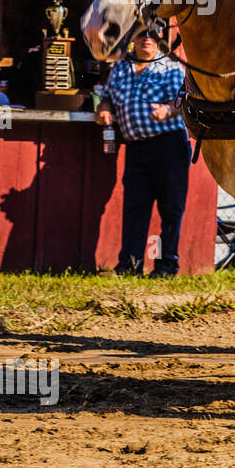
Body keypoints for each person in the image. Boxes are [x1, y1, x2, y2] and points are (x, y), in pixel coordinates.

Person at [95, 23, 192, 278]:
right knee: (135, 207)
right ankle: (130, 266)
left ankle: (166, 265)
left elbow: (183, 98)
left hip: (168, 144)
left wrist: (168, 109)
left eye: (153, 34)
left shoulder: (170, 67)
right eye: (141, 34)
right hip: (136, 147)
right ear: (133, 39)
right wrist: (104, 108)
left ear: (160, 38)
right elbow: (106, 96)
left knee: (171, 208)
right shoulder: (121, 68)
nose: (147, 39)